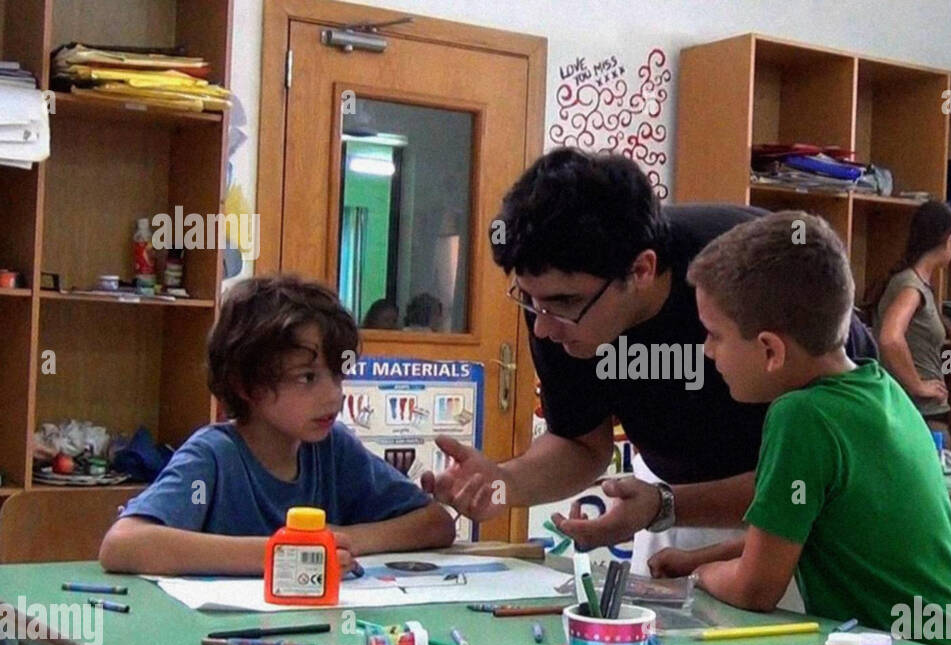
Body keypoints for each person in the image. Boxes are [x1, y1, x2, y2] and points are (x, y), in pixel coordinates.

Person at [421, 148, 874, 576]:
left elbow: (819, 477)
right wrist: (503, 482)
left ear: (640, 270)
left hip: (806, 517)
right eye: (530, 300)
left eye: (561, 302)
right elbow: (580, 444)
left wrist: (666, 505)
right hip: (669, 503)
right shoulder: (557, 309)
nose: (543, 327)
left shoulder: (749, 277)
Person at [649, 211, 951, 645]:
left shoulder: (801, 416)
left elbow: (755, 587)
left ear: (770, 349)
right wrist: (692, 559)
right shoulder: (879, 388)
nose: (707, 351)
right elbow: (798, 535)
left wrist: (702, 574)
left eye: (714, 335)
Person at [99, 276, 455, 575]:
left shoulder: (333, 449)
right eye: (307, 378)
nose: (333, 396)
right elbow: (121, 545)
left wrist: (347, 539)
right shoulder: (215, 456)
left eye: (338, 375)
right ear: (247, 384)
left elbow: (437, 523)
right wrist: (280, 554)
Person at [874, 202, 951, 447]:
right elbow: (890, 338)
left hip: (919, 412)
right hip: (919, 414)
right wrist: (917, 385)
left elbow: (923, 317)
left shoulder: (916, 283)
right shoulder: (911, 286)